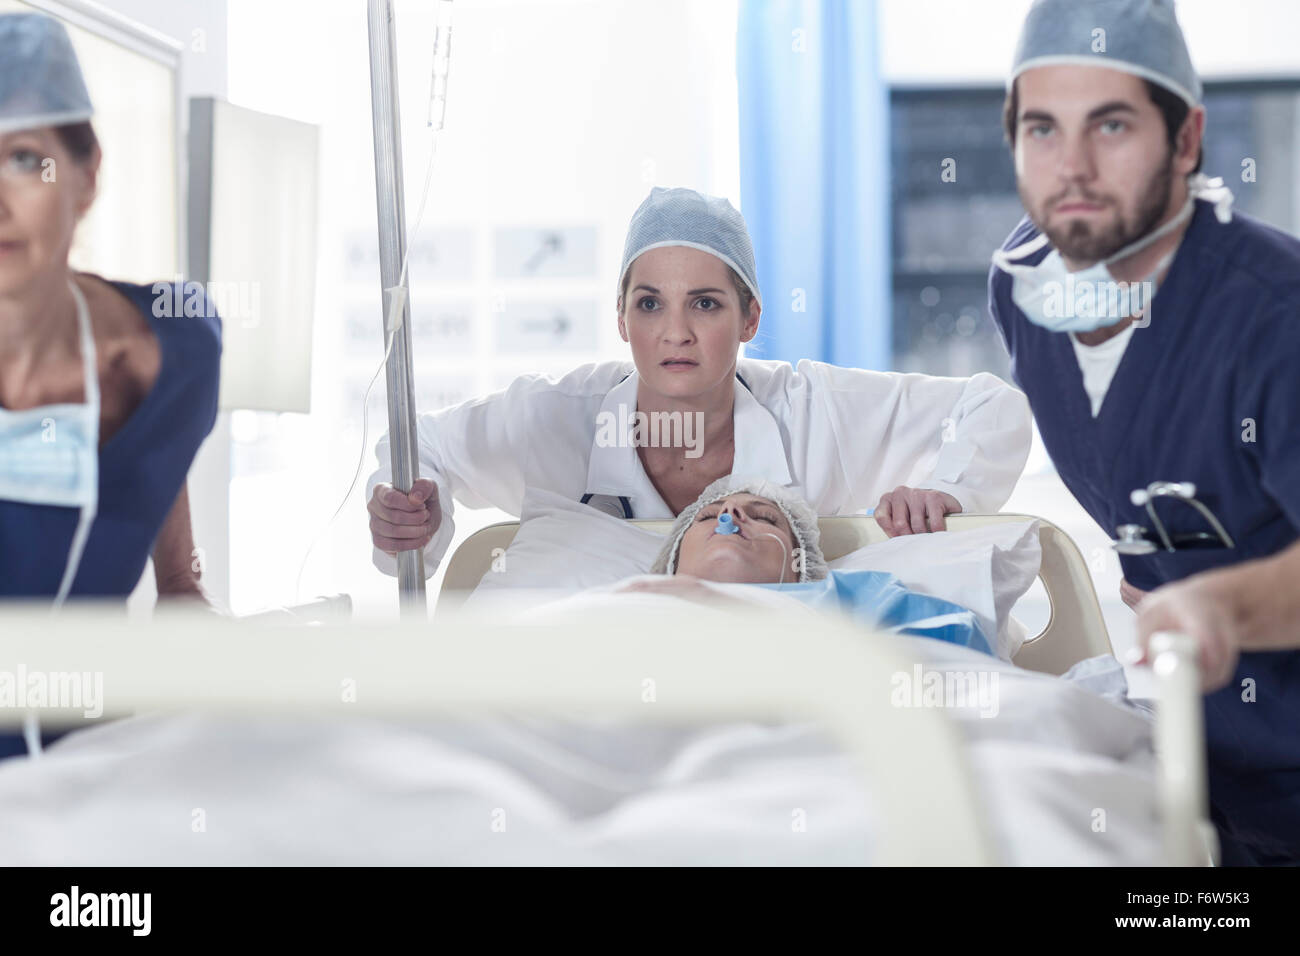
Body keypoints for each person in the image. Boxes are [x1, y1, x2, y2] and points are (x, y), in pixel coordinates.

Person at [988, 0, 1300, 863]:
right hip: (1198, 757)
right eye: (1042, 129)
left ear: (1187, 140)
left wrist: (1220, 601)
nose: (1073, 166)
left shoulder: (1272, 318)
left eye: (1112, 125)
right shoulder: (1023, 293)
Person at [368, 186, 1032, 577]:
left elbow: (991, 405)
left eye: (706, 303)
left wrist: (946, 492)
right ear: (622, 321)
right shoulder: (557, 417)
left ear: (750, 318)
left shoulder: (817, 412)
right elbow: (420, 448)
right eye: (650, 303)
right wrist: (413, 517)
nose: (675, 331)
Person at [0, 15, 222, 755]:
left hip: (85, 780)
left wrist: (183, 589)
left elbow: (158, 450)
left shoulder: (177, 348)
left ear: (87, 173)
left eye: (25, 159)